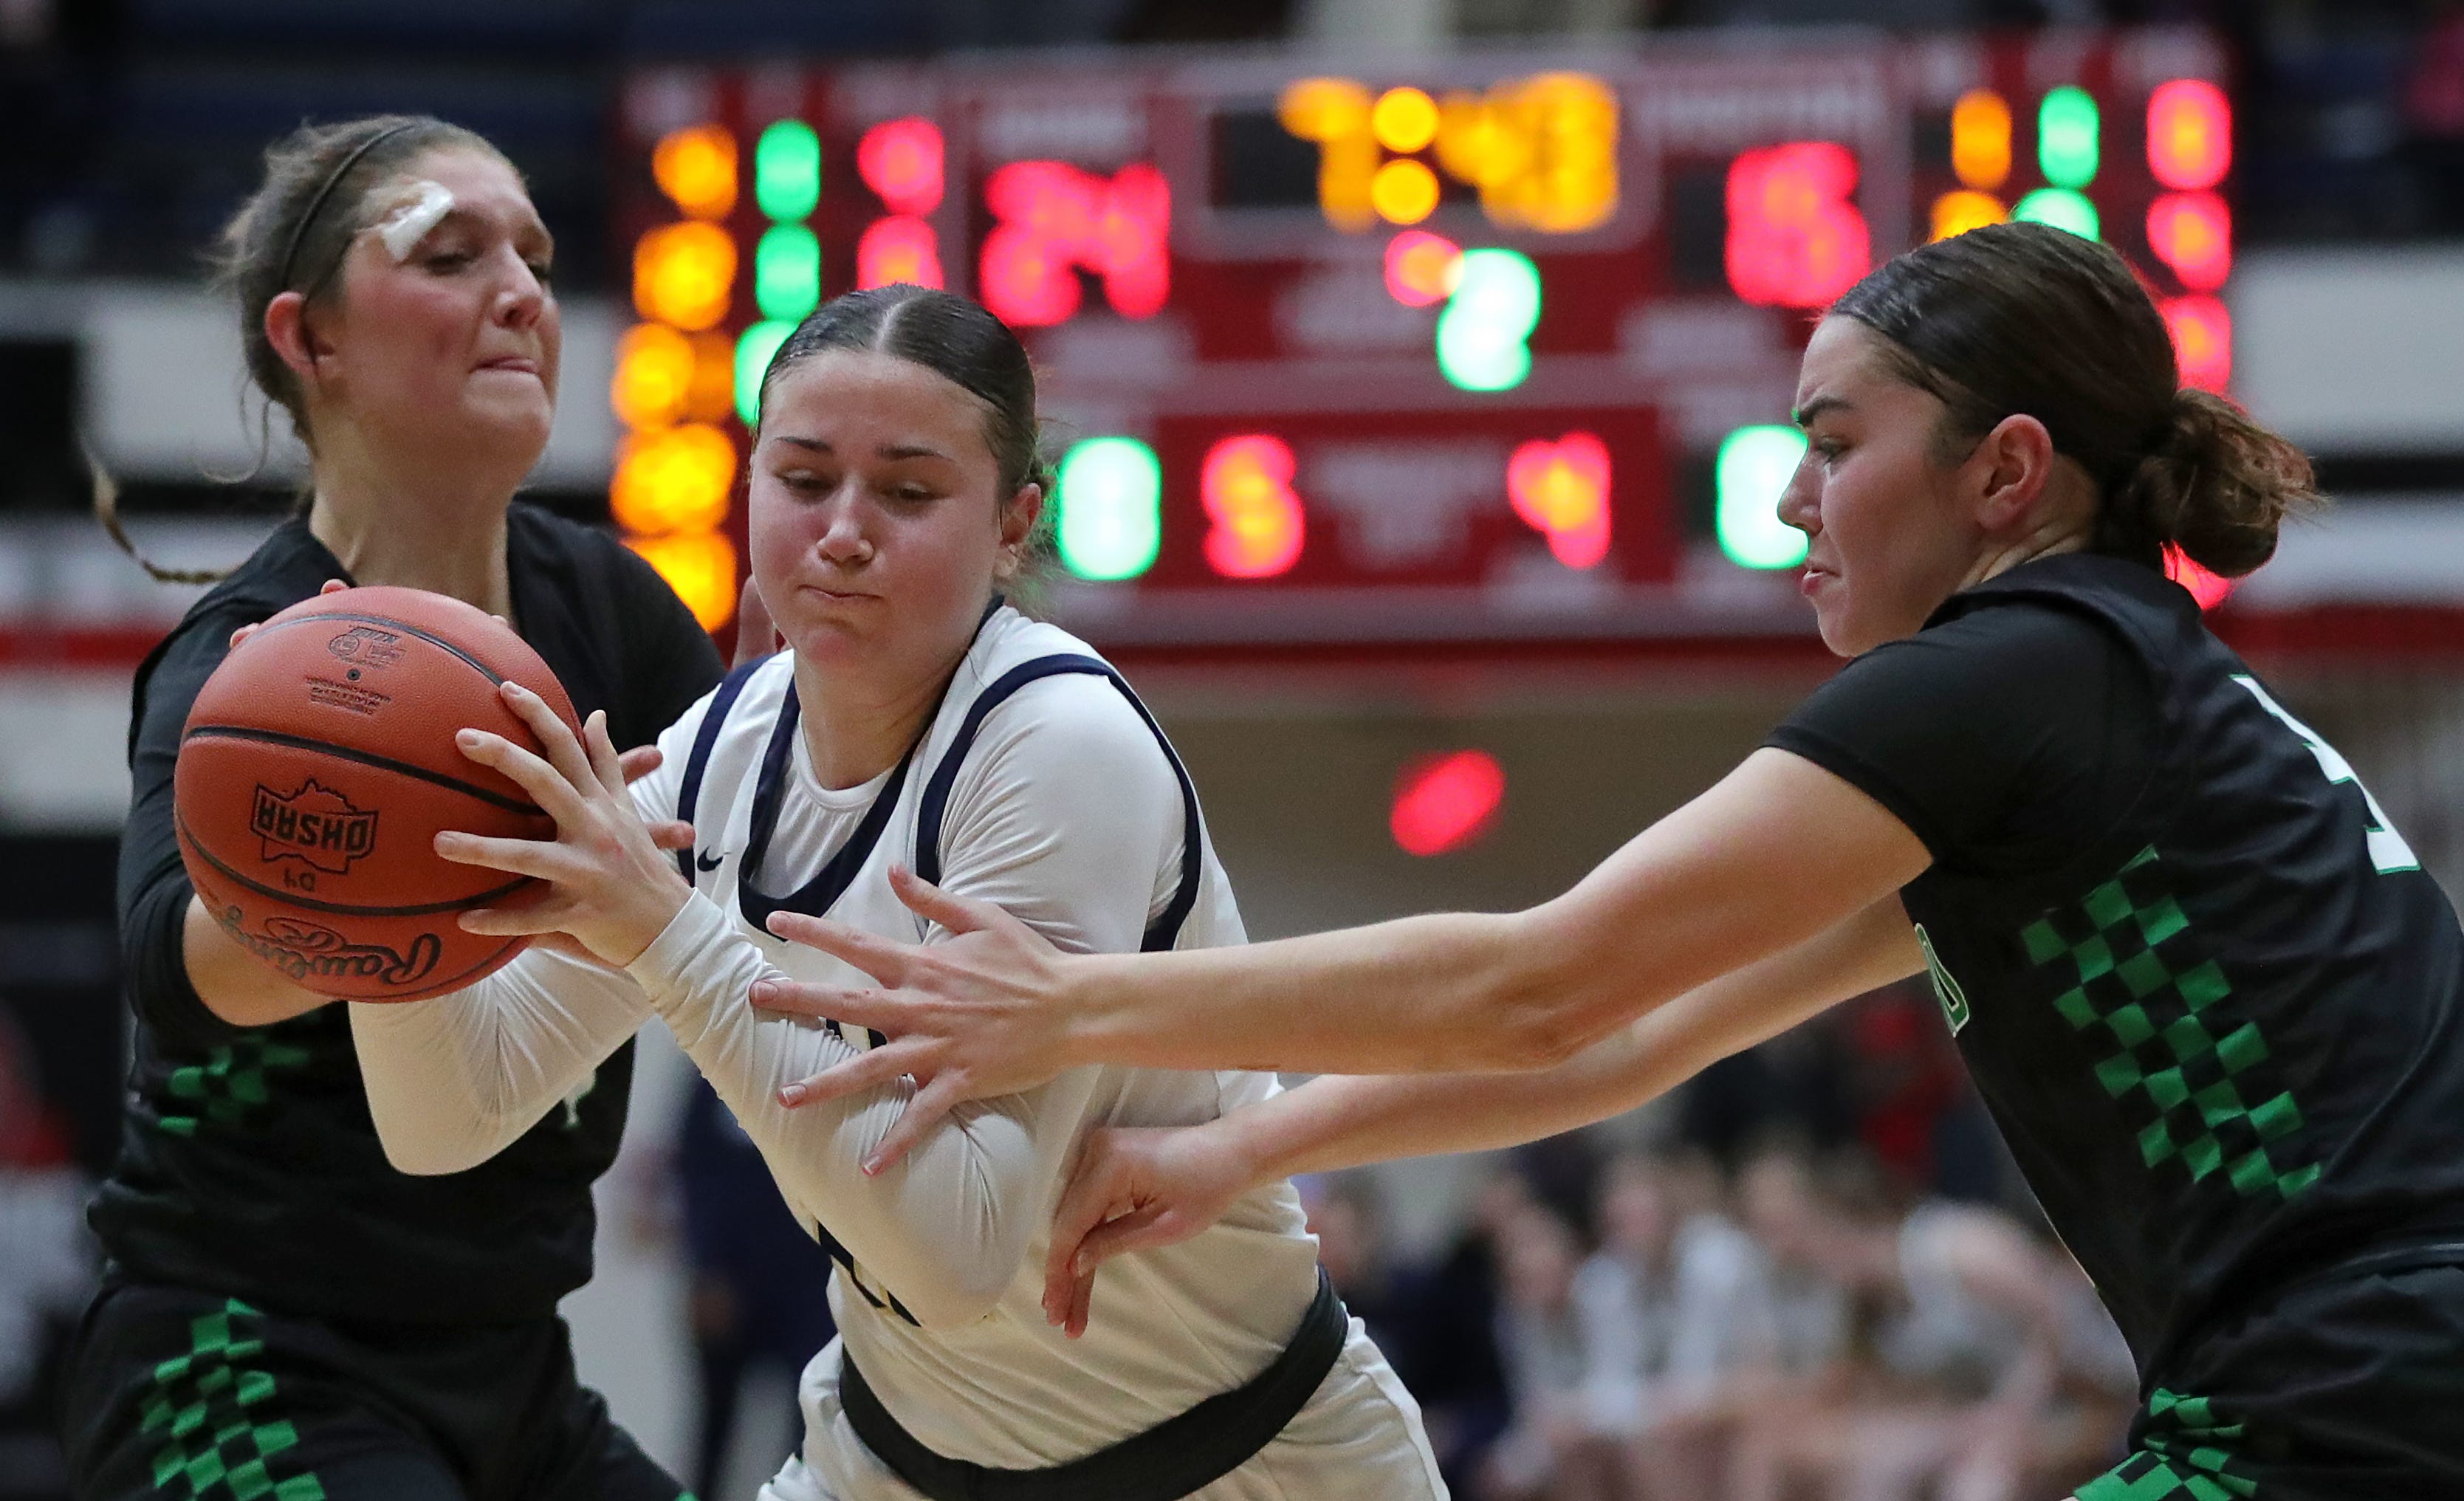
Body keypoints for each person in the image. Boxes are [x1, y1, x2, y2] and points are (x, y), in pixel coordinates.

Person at [761, 222, 2464, 1497]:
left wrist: (1067, 1007)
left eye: (1834, 441)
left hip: (2363, 1379)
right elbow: (1632, 1035)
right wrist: (1253, 1144)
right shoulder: (2098, 701)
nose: (1794, 501)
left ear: (2006, 474)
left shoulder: (2013, 675)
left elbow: (1536, 977)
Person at [344, 284, 1445, 1501]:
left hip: (1229, 1464)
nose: (843, 531)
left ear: (1012, 523)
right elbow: (451, 1114)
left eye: (909, 492)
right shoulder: (726, 748)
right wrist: (372, 896)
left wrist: (664, 931)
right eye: (803, 480)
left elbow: (956, 1251)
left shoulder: (1059, 745)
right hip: (892, 1459)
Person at [59, 116, 724, 1500]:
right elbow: (170, 966)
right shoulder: (247, 660)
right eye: (454, 253)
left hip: (515, 1362)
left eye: (537, 257)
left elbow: (772, 845)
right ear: (313, 341)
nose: (525, 291)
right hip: (241, 1353)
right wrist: (376, 864)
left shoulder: (616, 614)